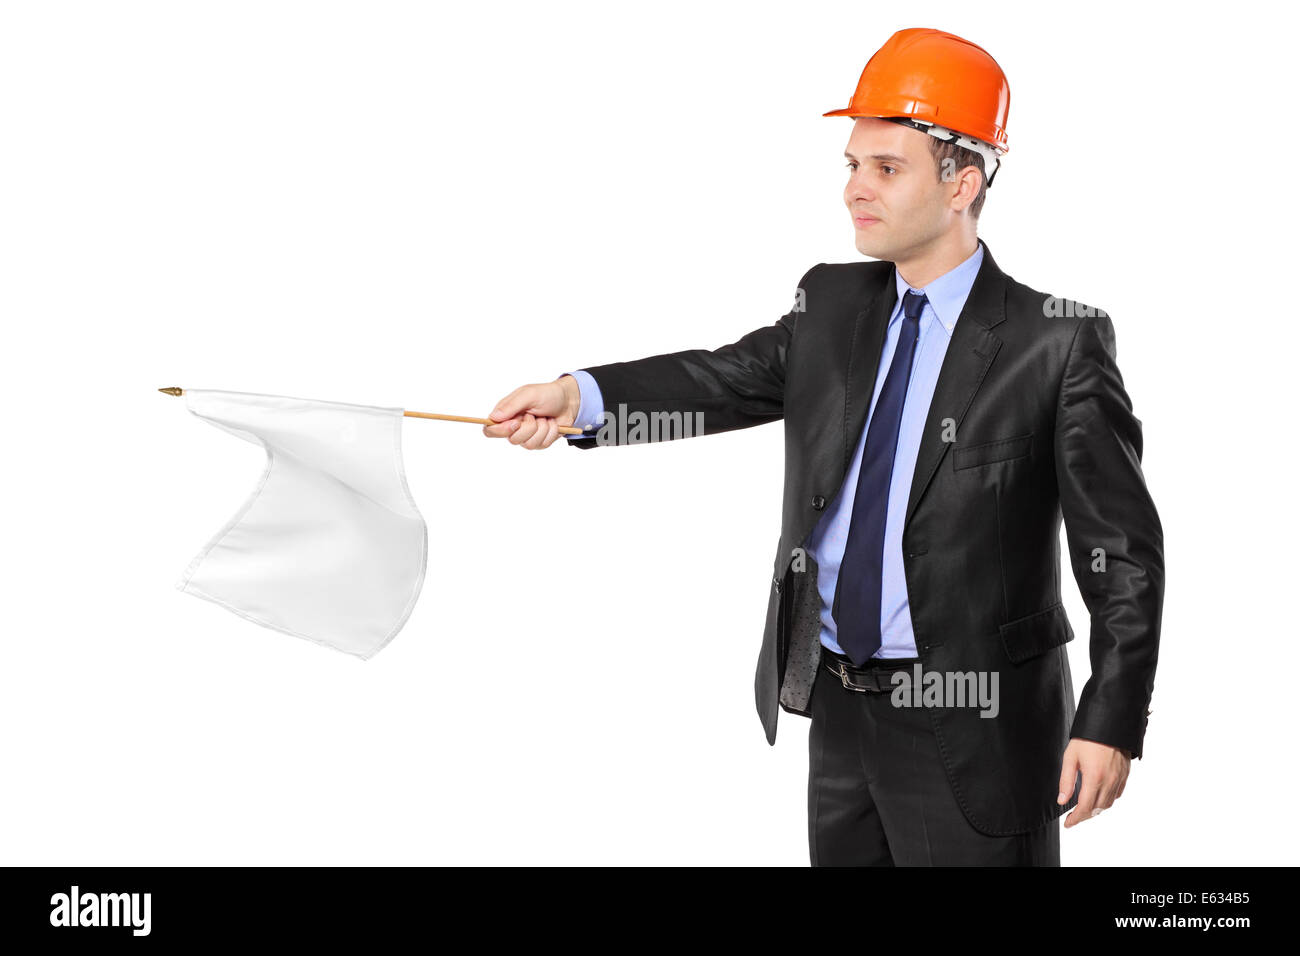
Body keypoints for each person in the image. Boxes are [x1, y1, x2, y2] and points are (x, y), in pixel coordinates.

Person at [482, 27, 1164, 866]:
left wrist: (1111, 719)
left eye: (886, 168)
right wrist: (575, 397)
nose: (854, 190)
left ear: (964, 182)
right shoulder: (831, 301)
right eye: (851, 165)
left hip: (978, 726)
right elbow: (721, 381)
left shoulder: (1053, 342)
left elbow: (1123, 554)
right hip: (839, 710)